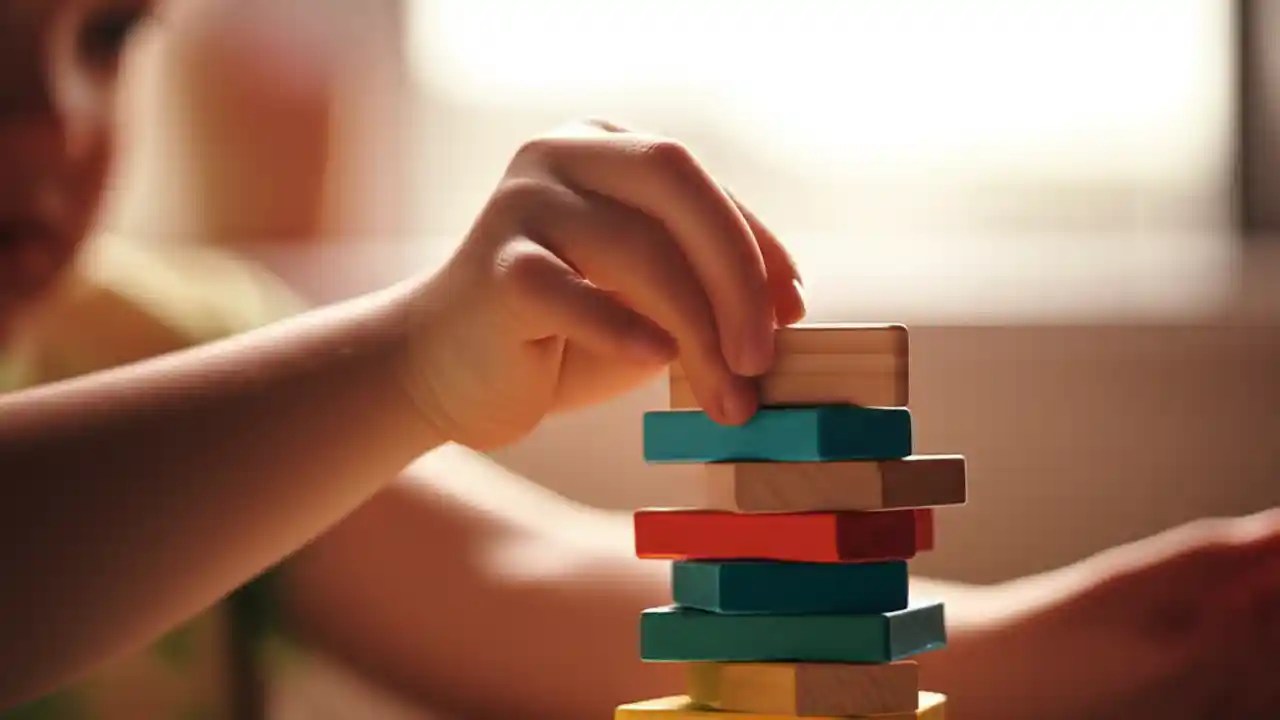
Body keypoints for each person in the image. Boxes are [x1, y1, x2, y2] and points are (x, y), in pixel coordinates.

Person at [1, 2, 1277, 719]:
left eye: (106, 35)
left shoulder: (173, 341)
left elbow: (518, 579)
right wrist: (404, 366)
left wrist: (1108, 645)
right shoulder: (255, 388)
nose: (56, 117)